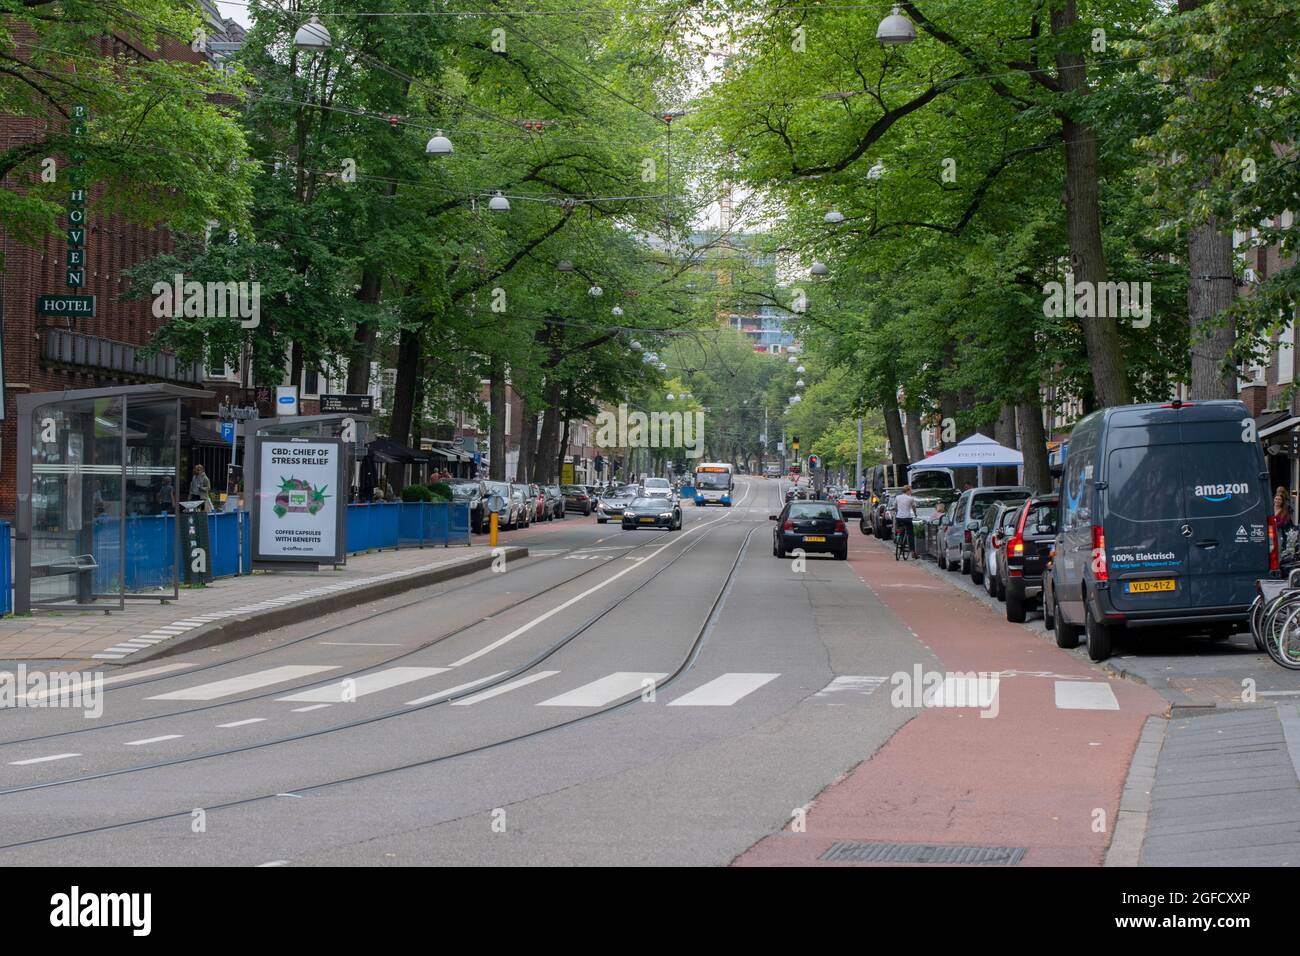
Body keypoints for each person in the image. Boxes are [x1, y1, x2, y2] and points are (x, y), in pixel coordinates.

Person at [893, 483, 918, 554]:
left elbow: (895, 507)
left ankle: (898, 541)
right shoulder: (911, 498)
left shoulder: (897, 497)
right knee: (910, 534)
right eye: (910, 490)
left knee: (899, 530)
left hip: (899, 517)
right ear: (908, 490)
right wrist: (915, 514)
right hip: (907, 518)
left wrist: (897, 512)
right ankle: (913, 551)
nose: (911, 491)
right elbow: (913, 508)